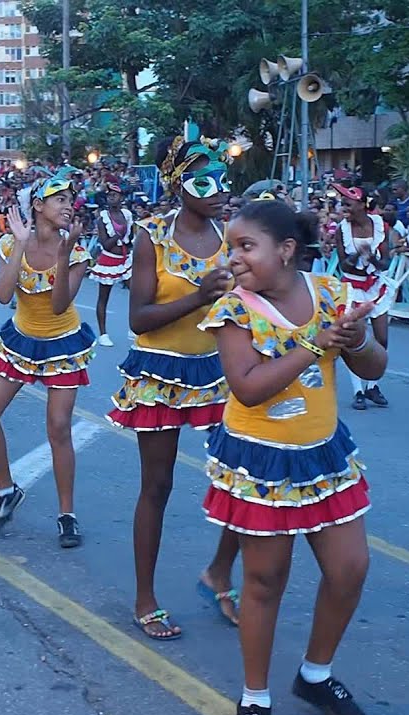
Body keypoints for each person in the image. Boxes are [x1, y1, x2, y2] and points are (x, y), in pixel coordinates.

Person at [201, 199, 385, 715]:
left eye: (246, 246)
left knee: (350, 568)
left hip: (323, 454)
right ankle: (255, 697)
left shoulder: (330, 293)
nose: (234, 257)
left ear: (285, 250)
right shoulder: (235, 310)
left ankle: (315, 675)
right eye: (231, 246)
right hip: (259, 460)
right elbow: (248, 387)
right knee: (265, 580)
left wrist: (356, 340)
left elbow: (375, 367)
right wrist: (315, 343)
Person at [107, 133, 240, 640]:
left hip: (220, 370)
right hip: (159, 372)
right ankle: (145, 598)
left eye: (222, 180)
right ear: (178, 186)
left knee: (243, 477)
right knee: (157, 485)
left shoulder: (232, 235)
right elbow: (139, 317)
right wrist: (199, 298)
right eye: (204, 183)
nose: (218, 191)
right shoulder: (152, 236)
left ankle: (220, 572)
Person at [0, 169, 96, 548]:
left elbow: (59, 306)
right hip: (21, 339)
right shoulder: (12, 242)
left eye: (70, 200)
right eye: (61, 199)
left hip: (63, 342)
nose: (69, 206)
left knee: (58, 427)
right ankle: (6, 489)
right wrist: (20, 244)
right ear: (38, 205)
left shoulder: (77, 253)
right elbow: (2, 295)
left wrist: (63, 255)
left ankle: (66, 515)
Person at [331, 184, 393, 410]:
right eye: (342, 203)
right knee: (354, 340)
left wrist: (373, 259)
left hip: (375, 286)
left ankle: (373, 386)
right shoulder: (342, 229)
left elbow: (386, 262)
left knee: (382, 339)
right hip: (352, 287)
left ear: (361, 204)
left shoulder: (380, 225)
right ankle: (358, 390)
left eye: (348, 203)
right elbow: (343, 264)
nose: (344, 207)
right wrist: (358, 254)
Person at [89, 176, 135, 346]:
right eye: (109, 196)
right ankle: (103, 334)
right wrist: (117, 235)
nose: (111, 198)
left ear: (121, 198)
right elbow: (105, 244)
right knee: (103, 298)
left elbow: (130, 238)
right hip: (108, 261)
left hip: (125, 260)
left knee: (136, 294)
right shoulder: (102, 219)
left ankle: (134, 328)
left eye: (114, 196)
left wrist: (129, 244)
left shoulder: (127, 215)